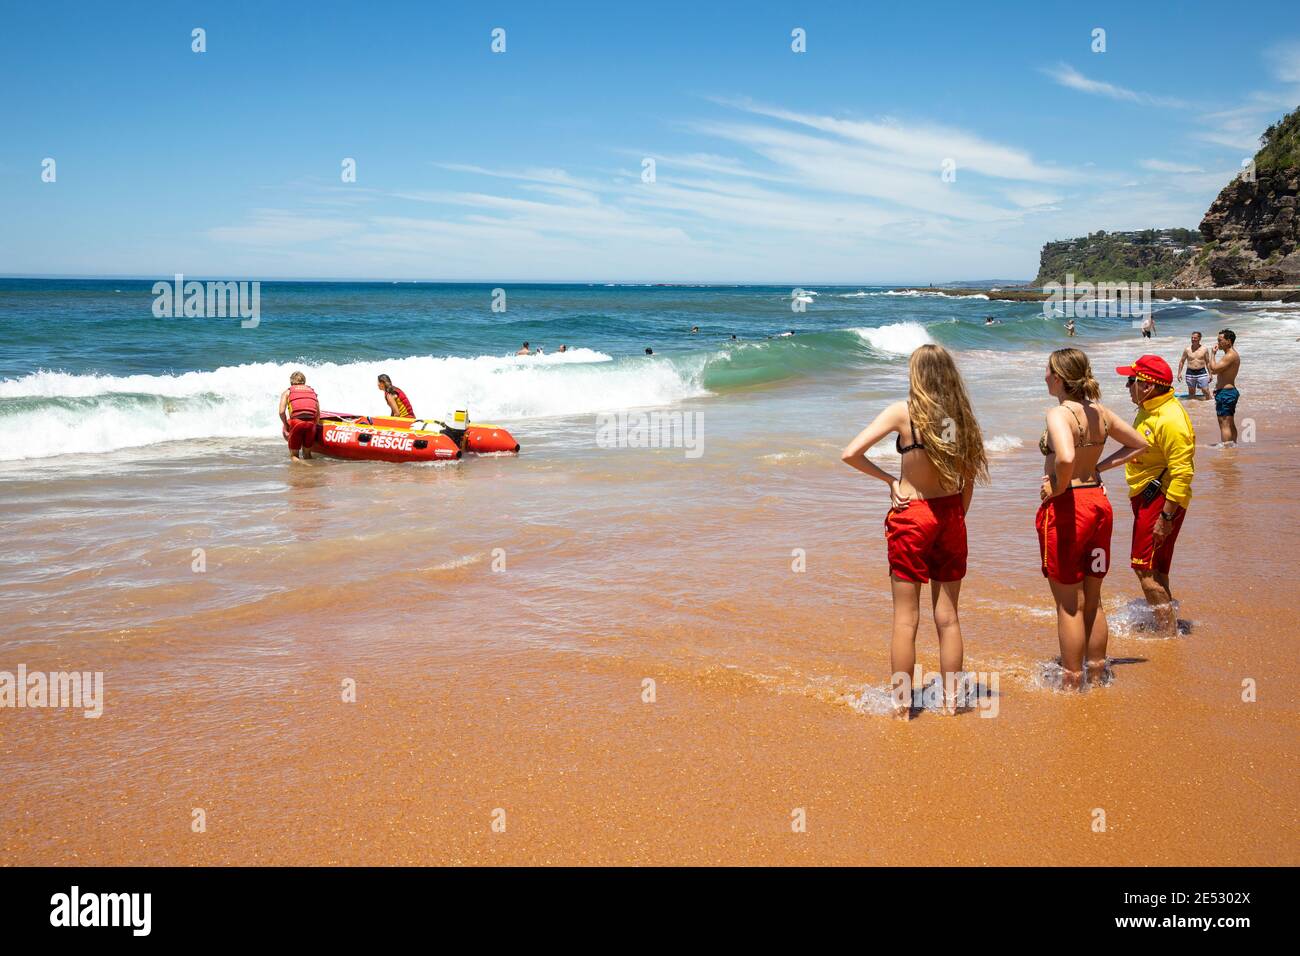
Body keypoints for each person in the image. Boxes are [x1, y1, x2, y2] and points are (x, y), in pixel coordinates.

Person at [841, 344, 990, 718]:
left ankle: (902, 707)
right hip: (951, 514)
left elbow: (851, 453)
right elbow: (969, 477)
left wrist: (890, 481)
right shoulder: (961, 416)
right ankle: (954, 703)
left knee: (906, 619)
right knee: (949, 617)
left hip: (912, 516)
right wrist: (956, 516)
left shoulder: (903, 413)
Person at [1037, 348, 1148, 688]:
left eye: (1047, 372)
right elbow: (1139, 444)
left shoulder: (1059, 414)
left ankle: (1072, 680)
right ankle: (1097, 670)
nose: (1044, 378)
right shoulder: (1101, 412)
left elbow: (1066, 456)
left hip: (1069, 507)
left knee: (1069, 604)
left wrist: (1056, 486)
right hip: (1098, 503)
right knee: (1093, 598)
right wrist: (1100, 467)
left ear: (1059, 378)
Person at [1116, 355, 1195, 637]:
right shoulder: (1148, 407)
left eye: (1131, 381)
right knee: (1157, 567)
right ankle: (1168, 624)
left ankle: (1166, 634)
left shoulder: (1171, 419)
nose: (1127, 386)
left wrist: (1165, 516)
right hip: (1148, 497)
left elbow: (1183, 472)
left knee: (1143, 569)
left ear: (1147, 385)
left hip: (1162, 501)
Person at [1208, 328, 1241, 447]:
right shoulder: (1231, 354)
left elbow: (1214, 369)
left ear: (1229, 341)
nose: (1218, 343)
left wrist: (1212, 354)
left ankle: (1227, 449)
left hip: (1226, 393)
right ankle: (1233, 445)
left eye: (1220, 340)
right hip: (1228, 392)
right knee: (1230, 422)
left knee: (1224, 423)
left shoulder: (1230, 355)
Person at [278, 371, 319, 461]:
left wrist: (286, 424)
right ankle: (311, 470)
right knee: (307, 455)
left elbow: (281, 412)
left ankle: (302, 467)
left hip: (296, 423)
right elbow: (317, 413)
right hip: (311, 423)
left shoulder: (287, 392)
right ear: (304, 381)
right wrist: (314, 426)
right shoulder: (312, 391)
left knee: (294, 456)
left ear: (291, 382)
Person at [1178, 331, 1213, 401]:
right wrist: (1179, 373)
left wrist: (1210, 374)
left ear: (1199, 339)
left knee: (1205, 390)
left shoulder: (1204, 349)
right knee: (1191, 393)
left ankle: (1211, 405)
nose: (1193, 339)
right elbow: (1182, 361)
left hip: (1201, 372)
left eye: (1195, 338)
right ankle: (1193, 408)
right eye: (1192, 338)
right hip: (1190, 373)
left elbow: (1207, 362)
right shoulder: (1187, 349)